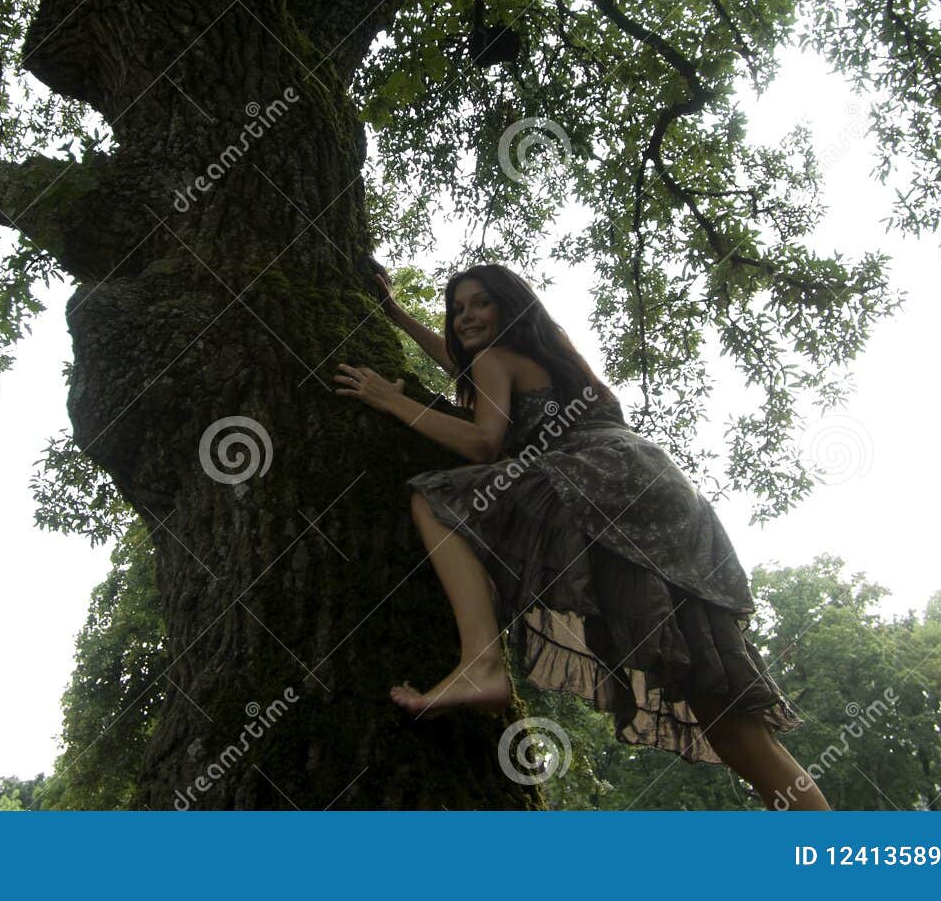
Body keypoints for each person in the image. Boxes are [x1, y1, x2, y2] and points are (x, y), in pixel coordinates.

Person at [332, 263, 831, 810]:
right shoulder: (551, 356)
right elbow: (463, 365)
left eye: (480, 303)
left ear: (508, 307)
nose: (465, 317)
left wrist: (391, 399)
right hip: (664, 507)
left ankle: (482, 662)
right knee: (733, 727)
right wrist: (399, 317)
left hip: (598, 484)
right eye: (457, 310)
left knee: (433, 499)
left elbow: (480, 442)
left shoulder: (497, 359)